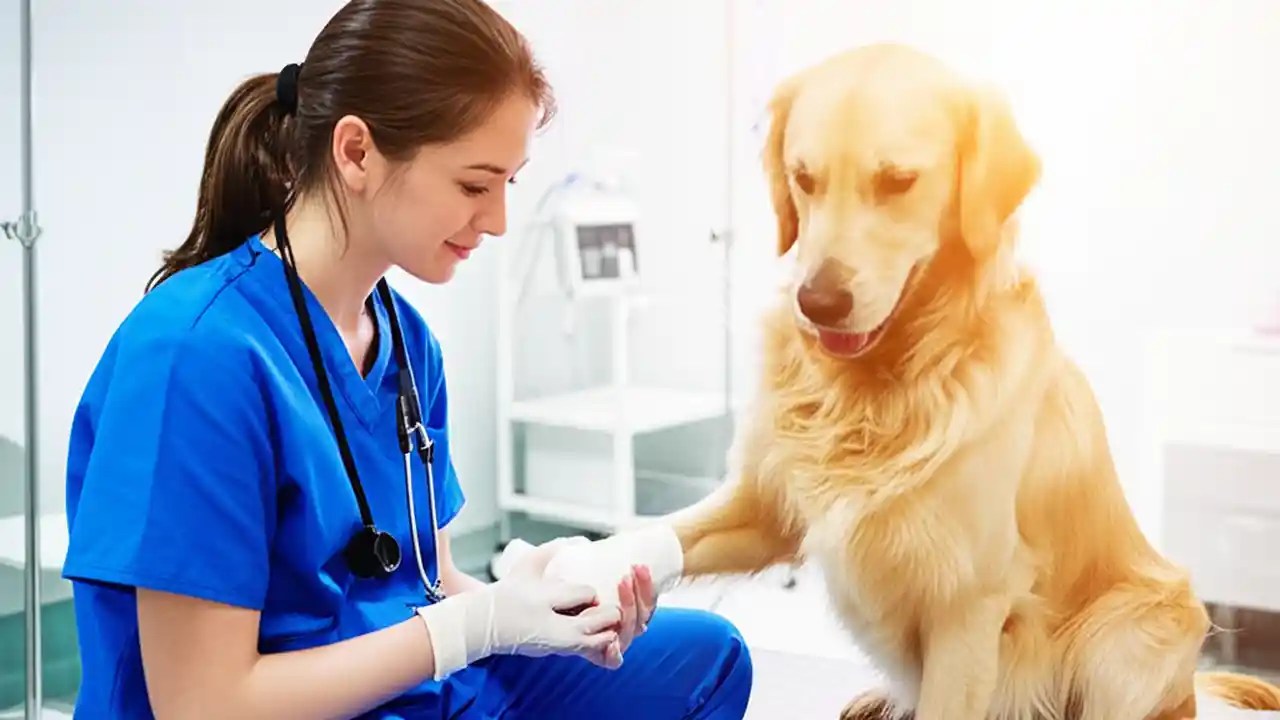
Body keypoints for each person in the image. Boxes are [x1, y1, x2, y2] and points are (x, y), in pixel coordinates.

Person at [59, 1, 752, 718]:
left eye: (506, 186)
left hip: (405, 688)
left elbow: (431, 578)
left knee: (705, 657)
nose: (497, 222)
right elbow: (205, 704)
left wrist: (541, 614)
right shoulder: (195, 356)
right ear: (356, 153)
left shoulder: (405, 342)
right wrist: (471, 628)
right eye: (473, 185)